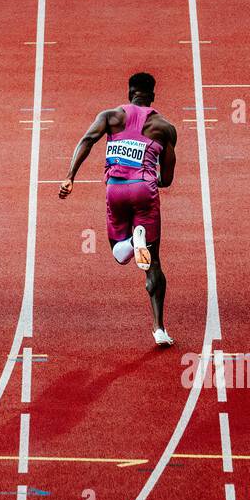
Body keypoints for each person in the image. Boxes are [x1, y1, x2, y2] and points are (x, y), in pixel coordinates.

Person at [59, 72, 177, 348]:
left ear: (129, 92)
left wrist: (70, 176)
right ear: (153, 95)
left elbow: (87, 140)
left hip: (116, 189)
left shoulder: (110, 116)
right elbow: (168, 178)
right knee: (153, 262)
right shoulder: (165, 127)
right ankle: (159, 328)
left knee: (118, 254)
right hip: (144, 190)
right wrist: (152, 179)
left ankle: (130, 242)